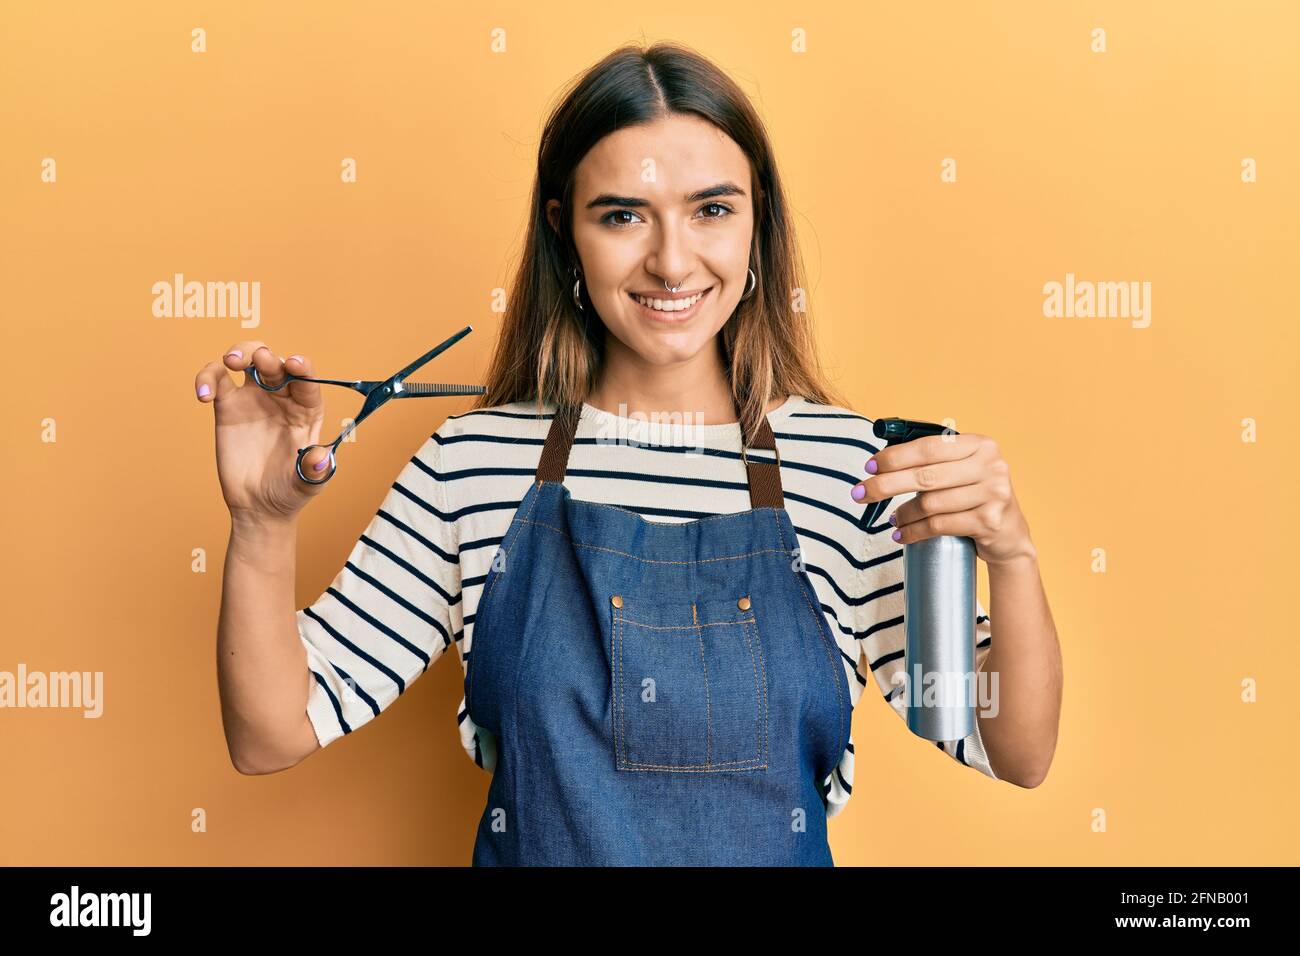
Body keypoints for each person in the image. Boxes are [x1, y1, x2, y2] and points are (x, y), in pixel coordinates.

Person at [196, 42, 1062, 866]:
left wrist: (1013, 554)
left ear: (758, 225)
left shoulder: (853, 471)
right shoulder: (473, 465)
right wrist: (264, 526)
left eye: (713, 210)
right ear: (564, 229)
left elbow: (1010, 745)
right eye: (621, 217)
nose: (672, 262)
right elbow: (271, 733)